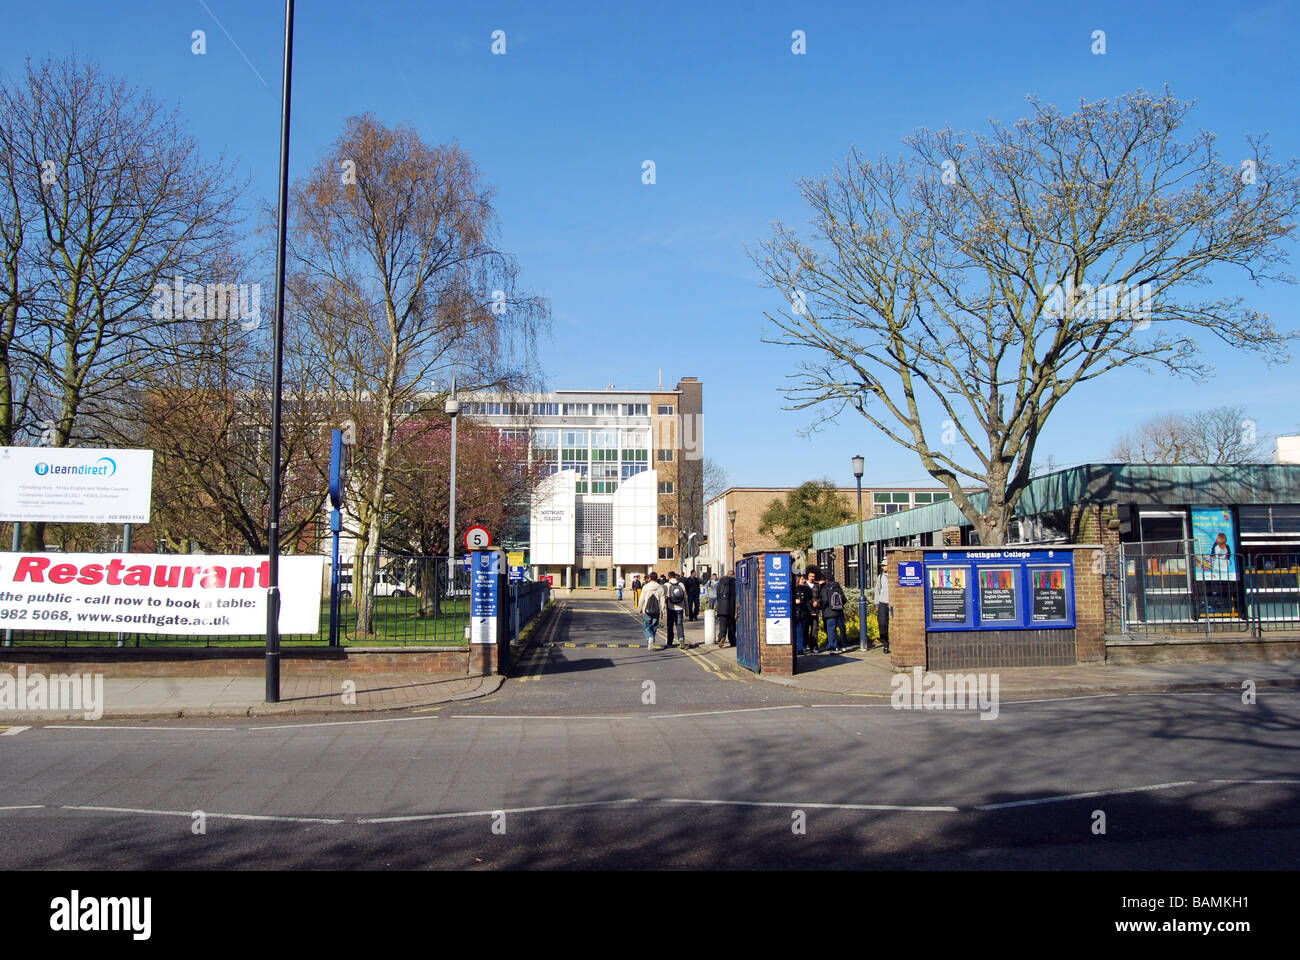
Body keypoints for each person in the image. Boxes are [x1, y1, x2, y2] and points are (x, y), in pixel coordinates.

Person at [817, 572, 848, 653]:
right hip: (839, 612)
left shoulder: (825, 587)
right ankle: (843, 646)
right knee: (842, 629)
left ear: (825, 580)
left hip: (829, 612)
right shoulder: (838, 587)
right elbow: (844, 599)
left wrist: (821, 608)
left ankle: (832, 648)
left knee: (831, 630)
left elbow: (825, 600)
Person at [638, 572, 665, 648]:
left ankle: (650, 637)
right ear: (656, 578)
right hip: (656, 611)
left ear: (649, 578)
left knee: (647, 626)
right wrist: (663, 612)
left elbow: (641, 599)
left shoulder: (646, 587)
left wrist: (640, 609)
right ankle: (652, 638)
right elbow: (662, 602)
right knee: (654, 626)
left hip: (647, 610)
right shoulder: (660, 588)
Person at [664, 571, 689, 647]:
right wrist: (687, 610)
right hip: (680, 608)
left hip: (671, 608)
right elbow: (685, 598)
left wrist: (662, 611)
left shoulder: (666, 585)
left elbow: (663, 598)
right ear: (675, 576)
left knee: (670, 625)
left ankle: (669, 642)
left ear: (668, 577)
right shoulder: (681, 584)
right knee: (679, 624)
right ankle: (681, 639)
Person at [714, 569, 737, 647]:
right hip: (731, 608)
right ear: (733, 575)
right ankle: (732, 641)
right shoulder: (734, 582)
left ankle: (722, 637)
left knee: (722, 625)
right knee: (731, 626)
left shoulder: (720, 583)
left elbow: (717, 595)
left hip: (721, 608)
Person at [793, 573, 814, 655]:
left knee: (803, 631)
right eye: (802, 579)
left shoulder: (806, 589)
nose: (803, 581)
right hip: (797, 613)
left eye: (804, 579)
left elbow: (808, 601)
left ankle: (802, 647)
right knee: (798, 630)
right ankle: (799, 648)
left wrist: (812, 610)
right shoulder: (794, 589)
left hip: (804, 613)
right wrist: (794, 601)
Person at [874, 558, 891, 654]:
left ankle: (888, 644)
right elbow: (877, 590)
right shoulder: (880, 577)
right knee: (882, 623)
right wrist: (877, 603)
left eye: (885, 565)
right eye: (883, 566)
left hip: (892, 603)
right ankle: (884, 641)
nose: (883, 567)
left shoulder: (894, 576)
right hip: (882, 602)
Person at [805, 566, 822, 651]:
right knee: (805, 628)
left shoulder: (817, 586)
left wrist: (817, 602)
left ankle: (814, 646)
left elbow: (820, 597)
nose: (812, 578)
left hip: (815, 610)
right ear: (807, 576)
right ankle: (804, 645)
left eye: (813, 576)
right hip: (806, 610)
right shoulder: (804, 585)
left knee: (815, 628)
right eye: (811, 576)